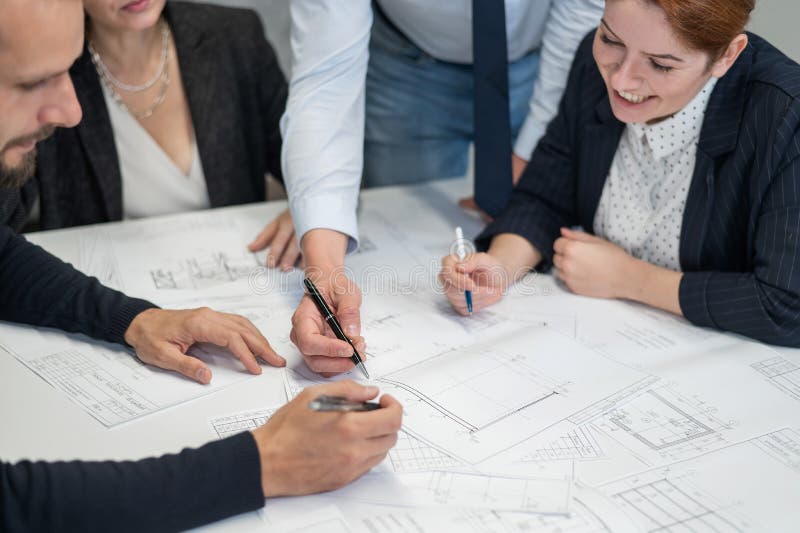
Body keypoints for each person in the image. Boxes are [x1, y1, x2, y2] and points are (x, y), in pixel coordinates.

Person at [0, 1, 402, 530]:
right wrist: (264, 464)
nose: (71, 112)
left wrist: (135, 320)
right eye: (34, 82)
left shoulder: (228, 36)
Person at [440, 0, 800, 347]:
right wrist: (498, 268)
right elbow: (544, 197)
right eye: (611, 40)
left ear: (727, 55)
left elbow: (786, 304)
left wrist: (630, 279)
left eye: (660, 65)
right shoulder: (591, 60)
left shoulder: (785, 117)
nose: (622, 80)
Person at [283, 0, 604, 375]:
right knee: (399, 235)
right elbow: (326, 82)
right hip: (410, 60)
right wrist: (324, 264)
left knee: (537, 209)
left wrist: (533, 155)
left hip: (541, 58)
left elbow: (587, 16)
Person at [0, 0, 302, 270]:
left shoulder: (233, 34)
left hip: (247, 273)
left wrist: (313, 207)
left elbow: (308, 159)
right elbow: (7, 221)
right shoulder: (48, 73)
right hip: (113, 294)